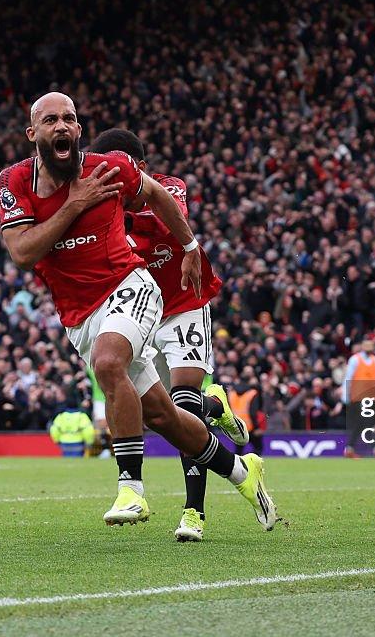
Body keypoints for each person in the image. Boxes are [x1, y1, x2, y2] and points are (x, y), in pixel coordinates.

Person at [0, 92, 276, 529]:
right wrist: (75, 204)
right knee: (162, 415)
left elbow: (159, 194)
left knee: (109, 363)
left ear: (80, 129)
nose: (62, 126)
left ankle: (132, 488)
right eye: (51, 120)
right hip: (79, 315)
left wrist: (189, 246)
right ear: (32, 134)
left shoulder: (109, 168)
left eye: (69, 118)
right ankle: (243, 471)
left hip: (131, 285)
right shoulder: (14, 183)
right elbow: (22, 253)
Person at [88, 128, 250, 542]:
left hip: (184, 303)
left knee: (183, 403)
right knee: (161, 416)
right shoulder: (104, 209)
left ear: (137, 168)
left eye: (116, 170)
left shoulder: (169, 187)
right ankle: (218, 407)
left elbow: (163, 214)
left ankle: (193, 513)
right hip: (141, 310)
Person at [341, 339, 375, 458]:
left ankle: (350, 448)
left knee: (362, 423)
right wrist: (345, 395)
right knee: (367, 421)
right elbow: (348, 377)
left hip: (371, 397)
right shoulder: (355, 359)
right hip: (358, 396)